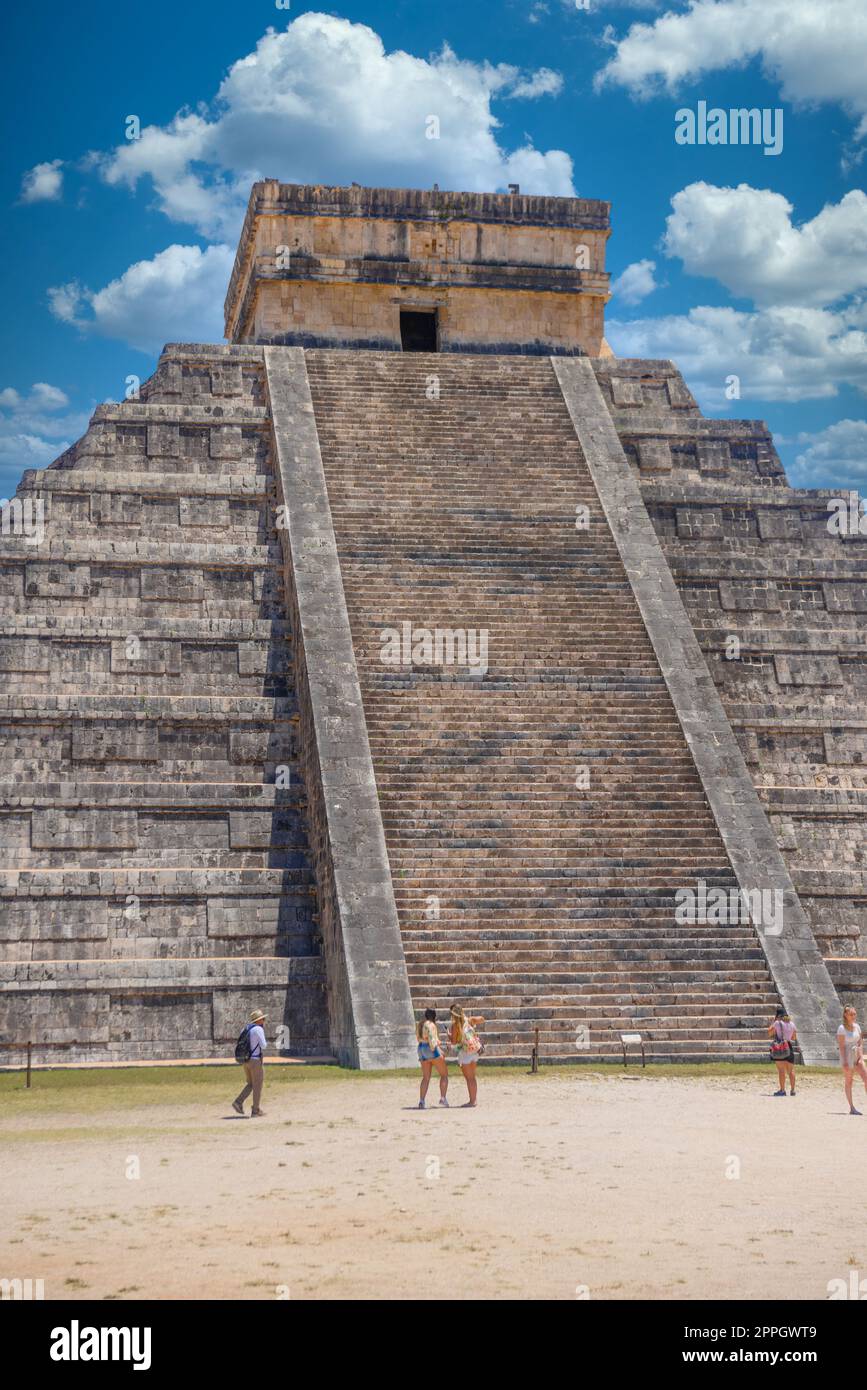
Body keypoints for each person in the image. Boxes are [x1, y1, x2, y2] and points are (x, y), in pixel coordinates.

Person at [232, 1008, 267, 1117]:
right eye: (262, 1019)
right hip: (255, 1061)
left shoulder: (245, 1029)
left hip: (245, 1060)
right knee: (257, 1085)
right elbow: (263, 1045)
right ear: (258, 1020)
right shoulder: (258, 1029)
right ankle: (255, 1110)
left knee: (251, 1084)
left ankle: (238, 1102)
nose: (264, 1020)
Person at [449, 1004, 485, 1108]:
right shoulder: (469, 1020)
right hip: (474, 1051)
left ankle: (472, 1101)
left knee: (469, 1078)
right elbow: (482, 1019)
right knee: (472, 1077)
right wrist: (474, 1020)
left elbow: (454, 1042)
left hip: (465, 1053)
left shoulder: (455, 1025)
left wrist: (449, 1035)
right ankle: (474, 1099)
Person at [836, 1005, 867, 1115]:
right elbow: (842, 1047)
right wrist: (844, 1063)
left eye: (854, 1014)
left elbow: (860, 1042)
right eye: (851, 1014)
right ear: (845, 1015)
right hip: (847, 1057)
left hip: (857, 1056)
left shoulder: (857, 1026)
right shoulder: (841, 1028)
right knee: (849, 1081)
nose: (853, 1016)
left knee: (866, 1078)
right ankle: (852, 1108)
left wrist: (861, 1057)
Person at [416, 1008, 449, 1109]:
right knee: (444, 1075)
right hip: (430, 1048)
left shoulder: (420, 1024)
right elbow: (432, 1041)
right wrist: (439, 1051)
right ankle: (443, 1098)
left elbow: (418, 1038)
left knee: (426, 1077)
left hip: (421, 1048)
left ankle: (421, 1100)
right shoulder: (431, 1025)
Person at [767, 1006, 797, 1096]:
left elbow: (769, 1032)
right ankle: (792, 1090)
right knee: (791, 1070)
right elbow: (794, 1037)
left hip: (780, 1047)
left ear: (778, 1015)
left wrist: (773, 1022)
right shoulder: (792, 1024)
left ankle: (782, 1090)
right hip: (789, 1046)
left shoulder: (777, 1023)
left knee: (781, 1070)